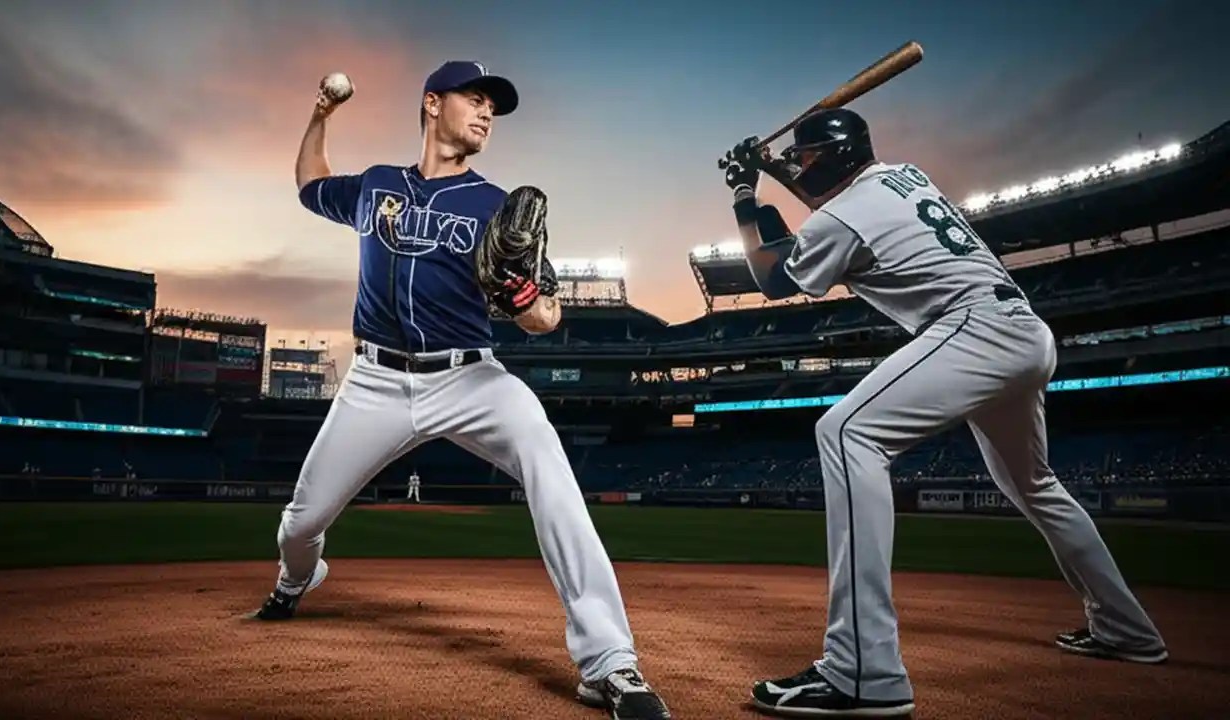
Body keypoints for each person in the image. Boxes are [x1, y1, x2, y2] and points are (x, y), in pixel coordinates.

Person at [252, 60, 670, 720]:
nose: (485, 113)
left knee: (547, 462)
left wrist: (526, 297)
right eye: (473, 98)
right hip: (376, 382)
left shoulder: (496, 207)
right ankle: (297, 578)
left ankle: (609, 662)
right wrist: (320, 116)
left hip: (472, 379)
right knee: (300, 524)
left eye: (492, 107)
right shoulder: (376, 187)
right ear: (431, 103)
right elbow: (310, 182)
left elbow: (546, 316)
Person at [721, 108, 1167, 718]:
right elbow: (834, 208)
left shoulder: (842, 215)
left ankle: (863, 671)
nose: (803, 170)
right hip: (1025, 331)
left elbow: (774, 275)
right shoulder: (903, 177)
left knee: (847, 433)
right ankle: (1126, 628)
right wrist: (774, 169)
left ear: (830, 159)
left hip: (974, 330)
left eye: (807, 159)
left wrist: (747, 194)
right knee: (1037, 485)